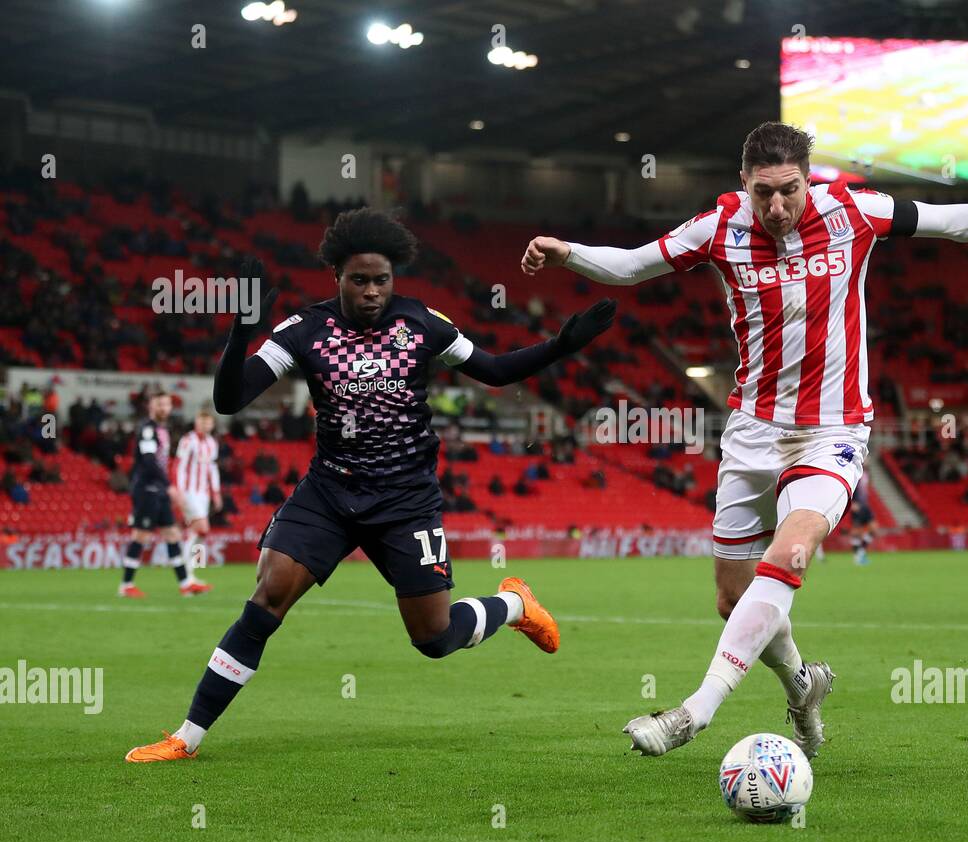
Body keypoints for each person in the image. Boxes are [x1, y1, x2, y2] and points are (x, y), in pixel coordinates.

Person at [522, 120, 968, 758]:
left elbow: (958, 221)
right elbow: (633, 265)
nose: (778, 207)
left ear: (808, 178)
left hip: (832, 430)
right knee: (734, 601)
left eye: (790, 190)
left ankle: (694, 712)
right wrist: (566, 250)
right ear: (744, 183)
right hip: (753, 432)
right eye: (764, 193)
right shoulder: (719, 226)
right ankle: (803, 686)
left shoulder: (853, 212)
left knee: (789, 557)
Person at [125, 208, 616, 762]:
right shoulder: (303, 330)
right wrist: (241, 330)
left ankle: (513, 605)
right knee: (266, 597)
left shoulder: (423, 323)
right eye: (359, 280)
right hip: (330, 492)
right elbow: (229, 399)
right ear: (336, 274)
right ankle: (186, 737)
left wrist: (561, 344)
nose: (372, 291)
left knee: (433, 638)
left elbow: (495, 370)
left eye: (381, 279)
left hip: (406, 500)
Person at [118, 391, 210, 598]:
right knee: (140, 535)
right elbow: (149, 461)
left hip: (158, 490)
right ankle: (126, 585)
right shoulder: (148, 429)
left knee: (173, 534)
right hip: (147, 489)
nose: (164, 408)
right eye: (160, 404)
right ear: (151, 406)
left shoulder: (161, 429)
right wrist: (169, 485)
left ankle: (186, 583)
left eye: (167, 405)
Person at [174, 407, 222, 588]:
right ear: (196, 423)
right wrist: (178, 490)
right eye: (202, 422)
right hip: (188, 491)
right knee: (201, 528)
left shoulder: (212, 443)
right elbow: (178, 465)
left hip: (203, 494)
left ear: (212, 425)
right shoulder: (188, 441)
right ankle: (186, 574)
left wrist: (216, 493)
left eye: (208, 422)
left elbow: (212, 469)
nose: (205, 425)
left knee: (201, 531)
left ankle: (191, 574)